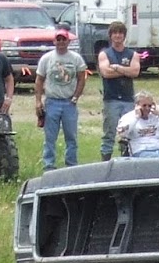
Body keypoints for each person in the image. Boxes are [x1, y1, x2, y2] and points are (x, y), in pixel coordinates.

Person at [34, 28, 88, 169]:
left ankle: (71, 165)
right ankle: (49, 166)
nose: (61, 42)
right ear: (54, 41)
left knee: (71, 137)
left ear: (68, 41)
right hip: (52, 102)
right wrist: (38, 101)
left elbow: (82, 78)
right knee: (50, 138)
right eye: (58, 39)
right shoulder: (46, 59)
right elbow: (39, 80)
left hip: (69, 102)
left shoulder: (76, 59)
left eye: (64, 39)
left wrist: (76, 97)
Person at [96, 20, 141, 159]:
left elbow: (135, 72)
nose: (117, 36)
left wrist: (117, 67)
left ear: (124, 36)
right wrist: (125, 71)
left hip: (128, 99)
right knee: (109, 134)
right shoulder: (104, 54)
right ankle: (105, 163)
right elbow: (106, 73)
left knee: (128, 132)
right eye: (115, 33)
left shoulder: (132, 54)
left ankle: (126, 159)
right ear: (110, 36)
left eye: (120, 33)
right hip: (111, 99)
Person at [115, 92, 159, 158]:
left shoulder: (156, 116)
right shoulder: (129, 117)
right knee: (153, 158)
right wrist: (136, 117)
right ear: (137, 105)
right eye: (144, 105)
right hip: (141, 152)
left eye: (149, 105)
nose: (147, 108)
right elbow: (121, 133)